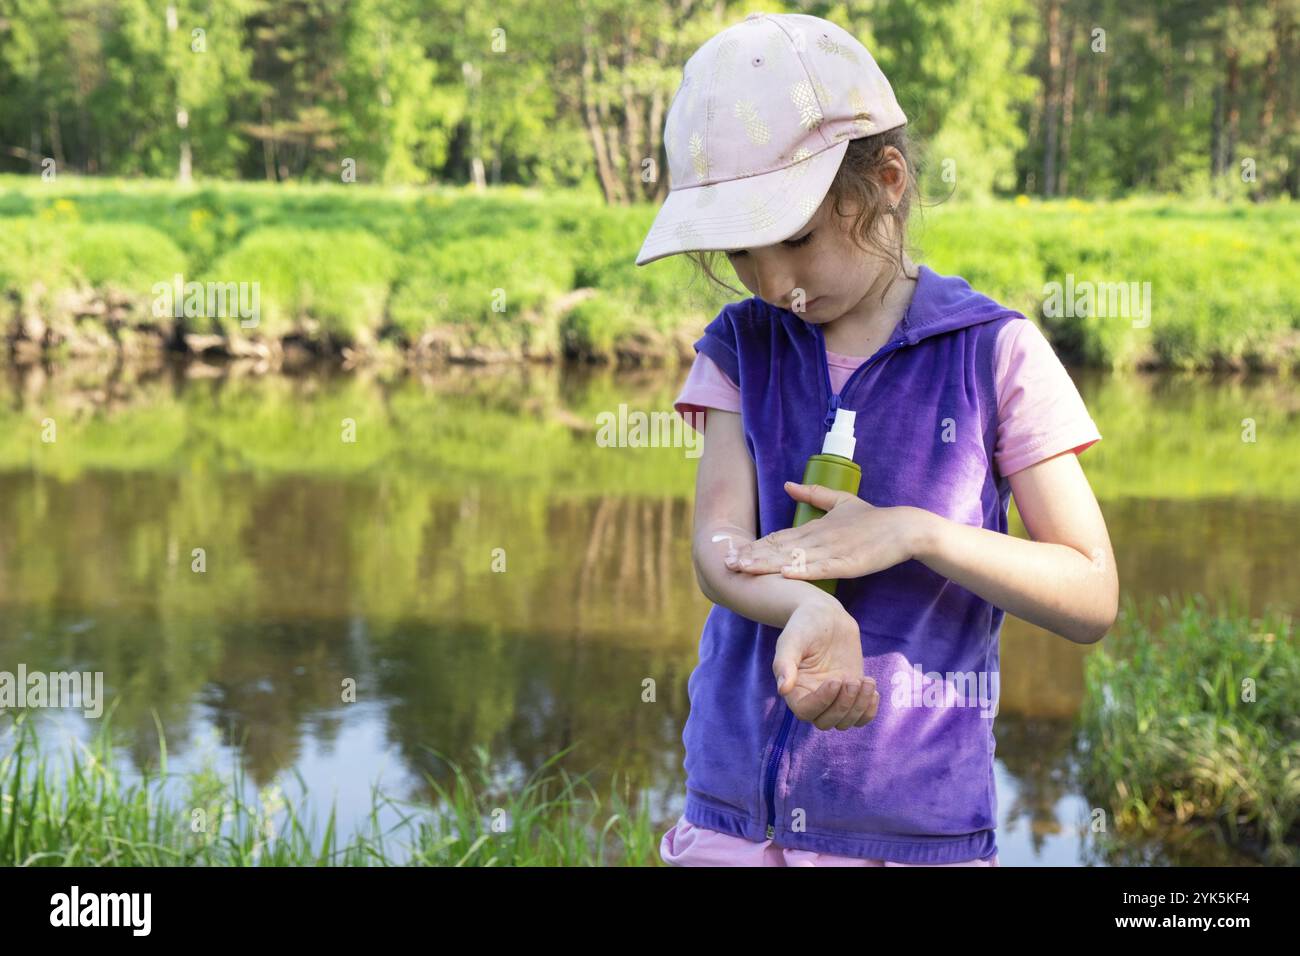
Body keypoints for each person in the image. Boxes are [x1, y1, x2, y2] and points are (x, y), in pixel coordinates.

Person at [634, 12, 1118, 867]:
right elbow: (719, 548)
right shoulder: (738, 349)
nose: (773, 282)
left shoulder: (995, 355)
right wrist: (804, 605)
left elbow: (1090, 594)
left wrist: (912, 532)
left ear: (885, 180)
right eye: (743, 253)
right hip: (733, 825)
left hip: (912, 837)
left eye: (796, 238)